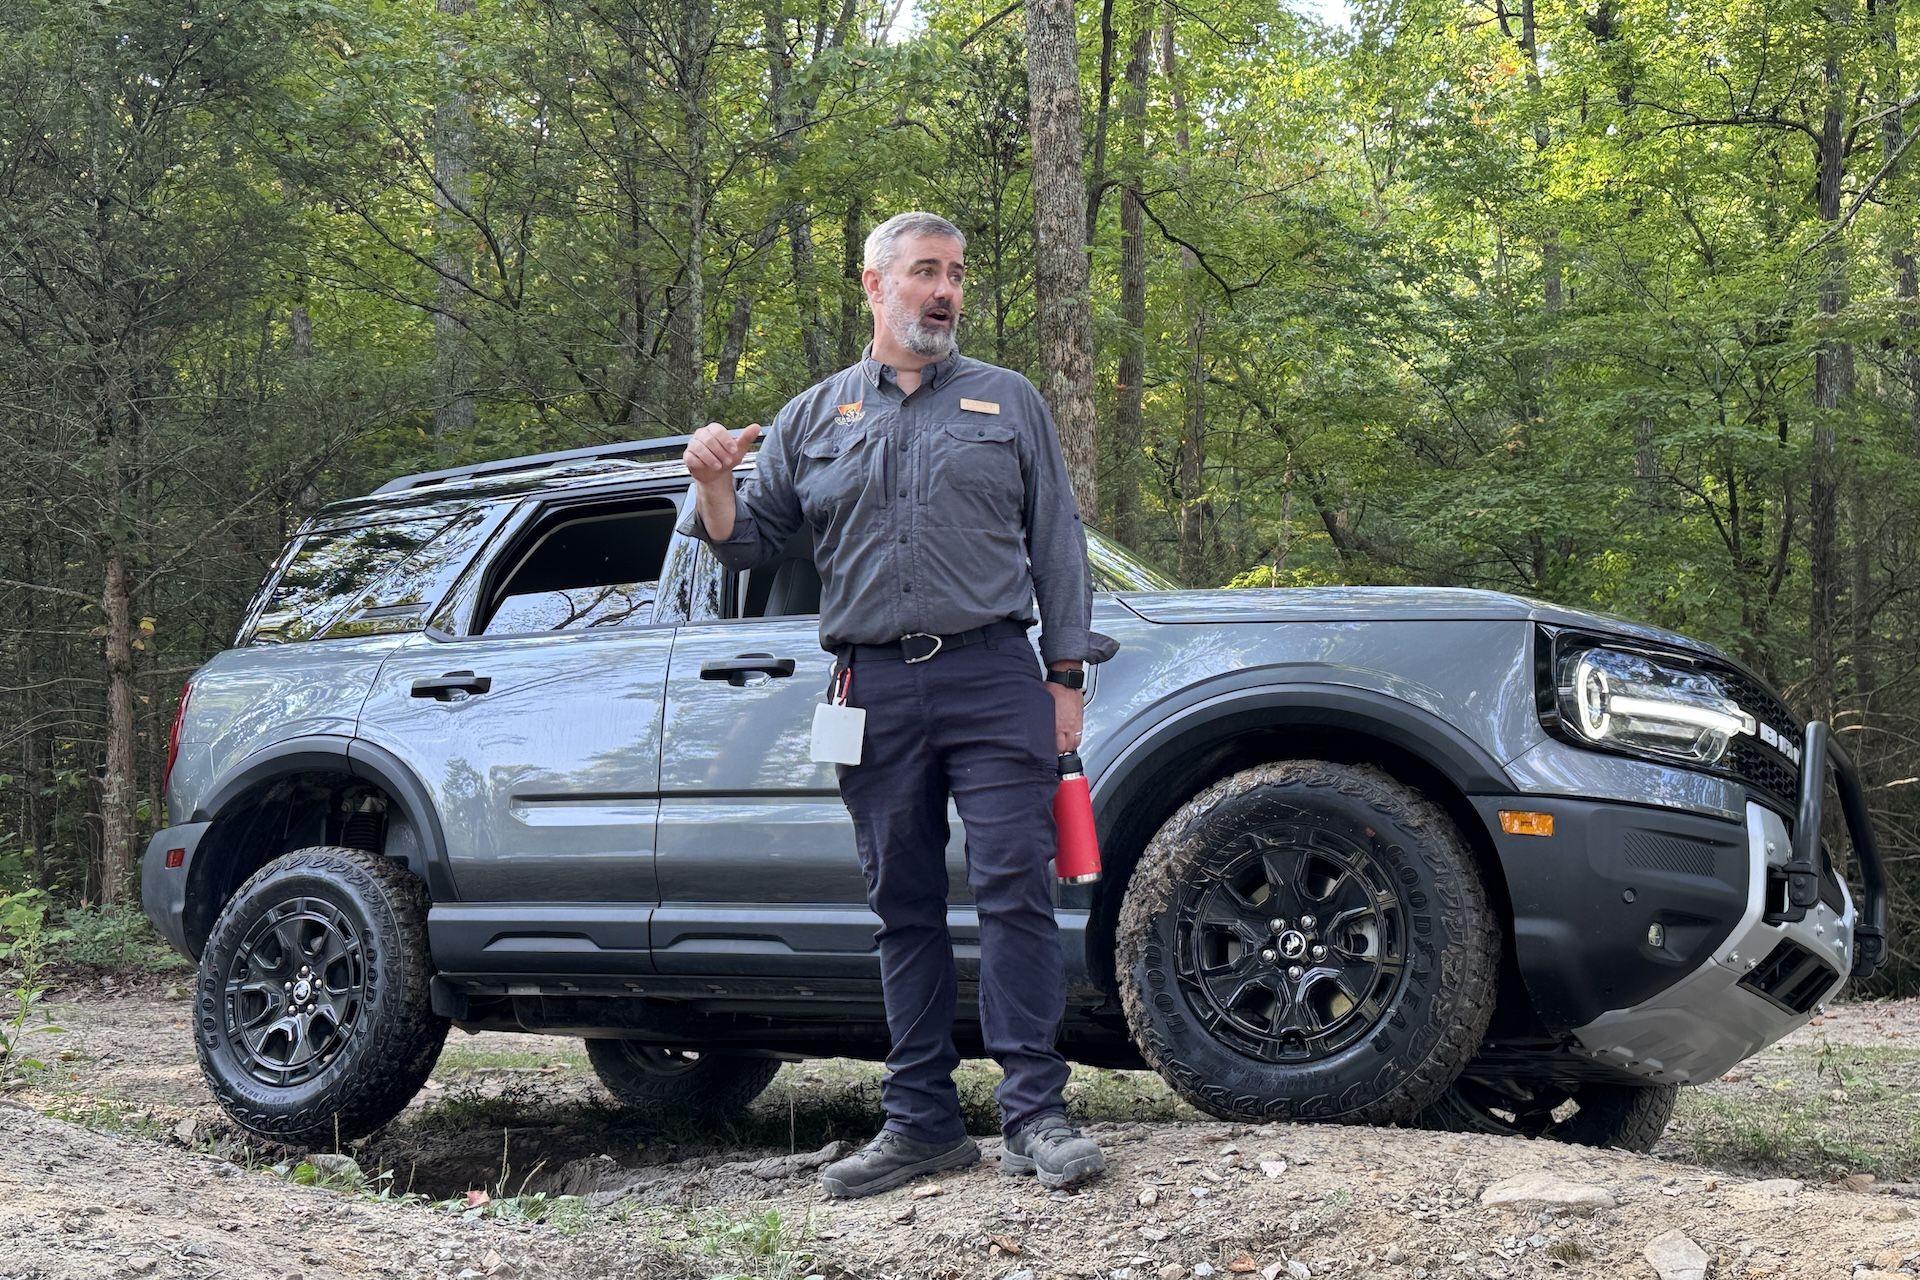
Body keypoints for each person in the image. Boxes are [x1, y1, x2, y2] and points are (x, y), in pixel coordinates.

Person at [677, 210, 1117, 1198]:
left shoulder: (1008, 403)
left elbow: (1058, 543)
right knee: (901, 902)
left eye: (956, 273)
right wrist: (713, 483)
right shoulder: (813, 417)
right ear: (873, 287)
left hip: (996, 675)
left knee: (1015, 885)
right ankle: (920, 1120)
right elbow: (749, 541)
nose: (945, 290)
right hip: (869, 686)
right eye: (924, 272)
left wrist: (1066, 677)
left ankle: (1035, 1113)